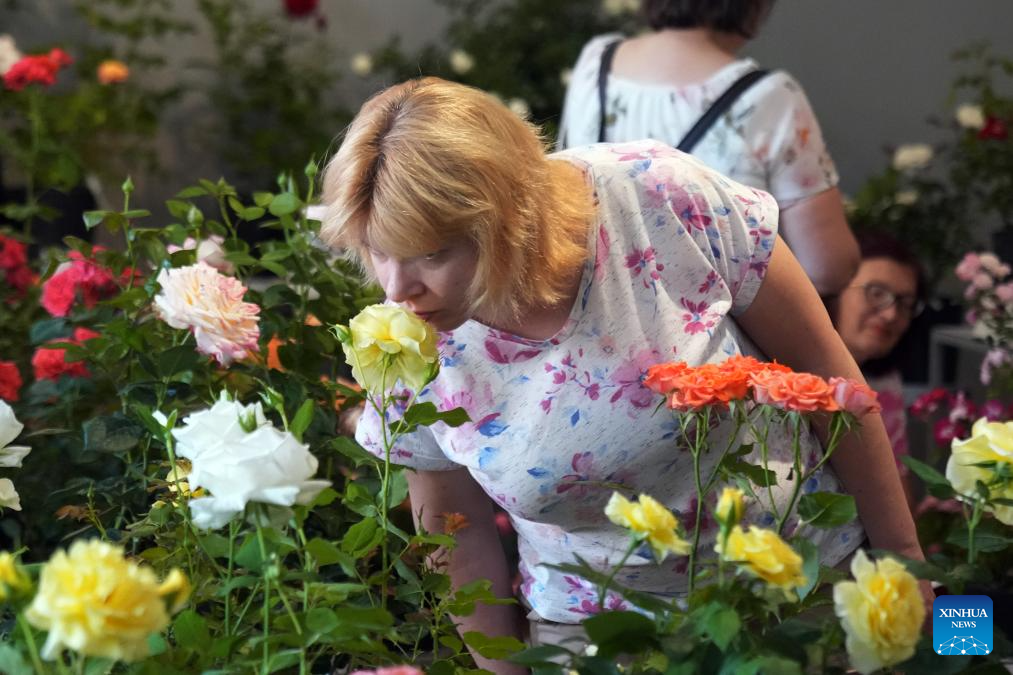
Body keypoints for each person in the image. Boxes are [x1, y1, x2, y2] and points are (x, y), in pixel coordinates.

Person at [320, 77, 927, 673]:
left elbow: (828, 378)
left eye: (431, 253)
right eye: (378, 250)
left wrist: (904, 563)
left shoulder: (656, 195)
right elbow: (453, 533)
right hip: (597, 636)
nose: (399, 290)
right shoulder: (400, 343)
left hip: (794, 587)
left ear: (505, 219)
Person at [557, 0, 859, 297]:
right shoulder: (770, 98)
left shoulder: (595, 62)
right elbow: (827, 268)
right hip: (706, 339)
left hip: (591, 328)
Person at [827, 232, 927, 506]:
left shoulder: (884, 384)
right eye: (877, 293)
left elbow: (896, 485)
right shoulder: (788, 375)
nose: (891, 314)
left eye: (905, 304)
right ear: (835, 290)